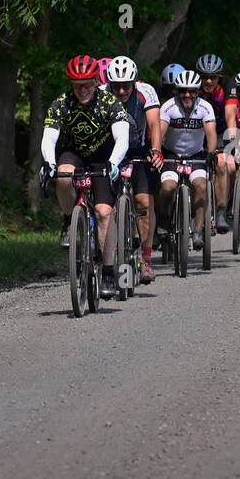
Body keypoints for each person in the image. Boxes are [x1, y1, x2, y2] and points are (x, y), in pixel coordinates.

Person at [42, 54, 130, 300]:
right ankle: (69, 220)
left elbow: (122, 136)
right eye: (77, 84)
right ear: (71, 83)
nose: (83, 89)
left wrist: (113, 163)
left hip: (103, 158)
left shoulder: (109, 102)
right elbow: (49, 136)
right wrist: (50, 162)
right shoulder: (61, 103)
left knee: (104, 213)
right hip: (74, 154)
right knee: (62, 175)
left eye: (88, 83)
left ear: (95, 81)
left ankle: (110, 271)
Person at [101, 55, 163, 284]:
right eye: (115, 86)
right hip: (110, 152)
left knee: (144, 203)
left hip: (138, 151)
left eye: (125, 86)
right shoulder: (100, 92)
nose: (120, 92)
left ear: (134, 82)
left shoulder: (146, 92)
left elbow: (155, 124)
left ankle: (146, 259)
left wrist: (156, 150)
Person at [156, 68, 218, 251]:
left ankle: (197, 230)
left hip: (196, 155)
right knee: (168, 187)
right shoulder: (168, 107)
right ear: (177, 91)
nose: (187, 94)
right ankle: (164, 219)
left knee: (200, 185)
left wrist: (211, 153)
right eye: (183, 90)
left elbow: (211, 134)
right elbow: (160, 132)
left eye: (192, 91)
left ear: (198, 91)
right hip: (171, 155)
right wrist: (157, 151)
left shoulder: (205, 108)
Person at [195, 52, 237, 234]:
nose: (209, 81)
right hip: (197, 132)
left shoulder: (228, 86)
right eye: (205, 77)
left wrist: (233, 134)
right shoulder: (193, 88)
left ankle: (222, 209)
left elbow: (230, 113)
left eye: (212, 77)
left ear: (219, 77)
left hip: (220, 132)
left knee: (226, 165)